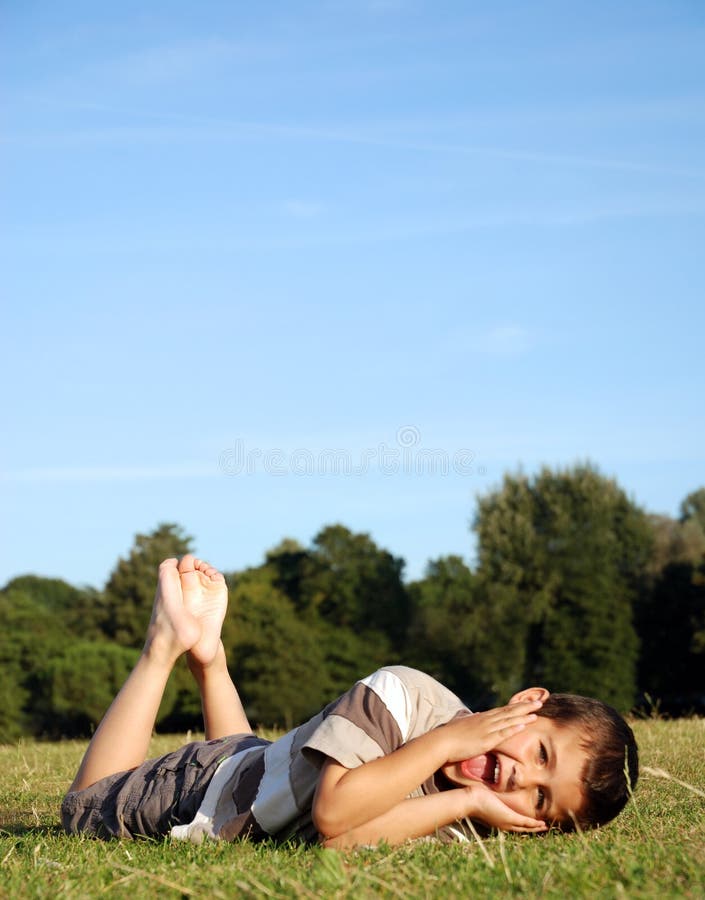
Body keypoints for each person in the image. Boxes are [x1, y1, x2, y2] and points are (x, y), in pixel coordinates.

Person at [61, 556, 638, 847]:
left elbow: (342, 844)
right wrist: (446, 743)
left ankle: (211, 660)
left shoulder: (473, 818)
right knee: (83, 812)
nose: (518, 780)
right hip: (198, 790)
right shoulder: (403, 695)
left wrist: (462, 808)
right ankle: (163, 647)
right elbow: (334, 814)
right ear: (528, 704)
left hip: (263, 775)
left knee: (253, 762)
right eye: (540, 753)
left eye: (542, 800)